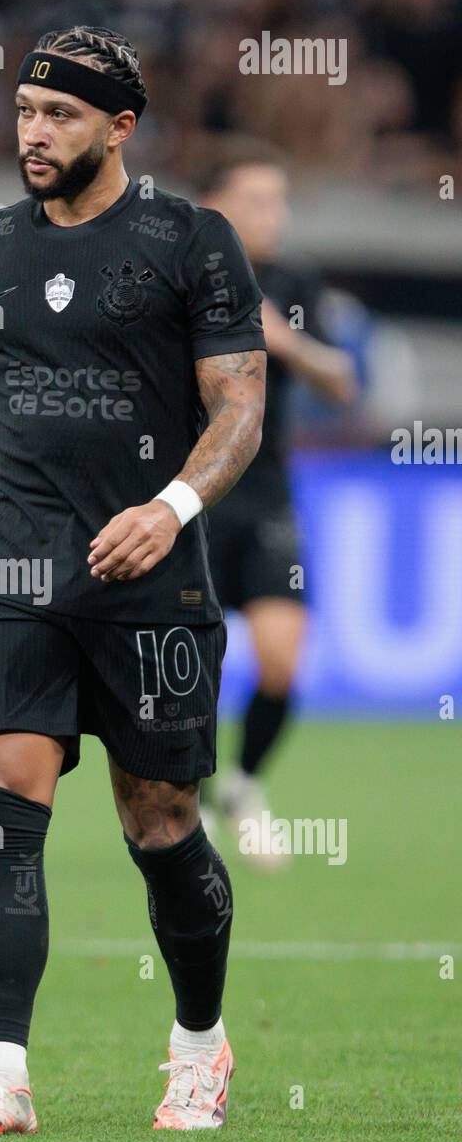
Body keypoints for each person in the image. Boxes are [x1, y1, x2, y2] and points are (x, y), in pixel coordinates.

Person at [0, 26, 266, 1135]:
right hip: (12, 564)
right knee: (1, 808)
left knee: (159, 823)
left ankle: (198, 1043)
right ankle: (0, 1076)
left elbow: (237, 403)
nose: (34, 133)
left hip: (150, 578)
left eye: (59, 114)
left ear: (119, 127)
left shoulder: (190, 239)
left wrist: (171, 507)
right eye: (23, 112)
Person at [197, 137, 357, 870]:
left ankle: (243, 785)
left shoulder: (294, 280)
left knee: (283, 659)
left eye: (281, 199)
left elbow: (342, 382)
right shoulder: (179, 277)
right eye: (259, 199)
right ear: (214, 206)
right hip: (188, 497)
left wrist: (286, 344)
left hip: (265, 496)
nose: (276, 214)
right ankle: (187, 792)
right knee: (185, 663)